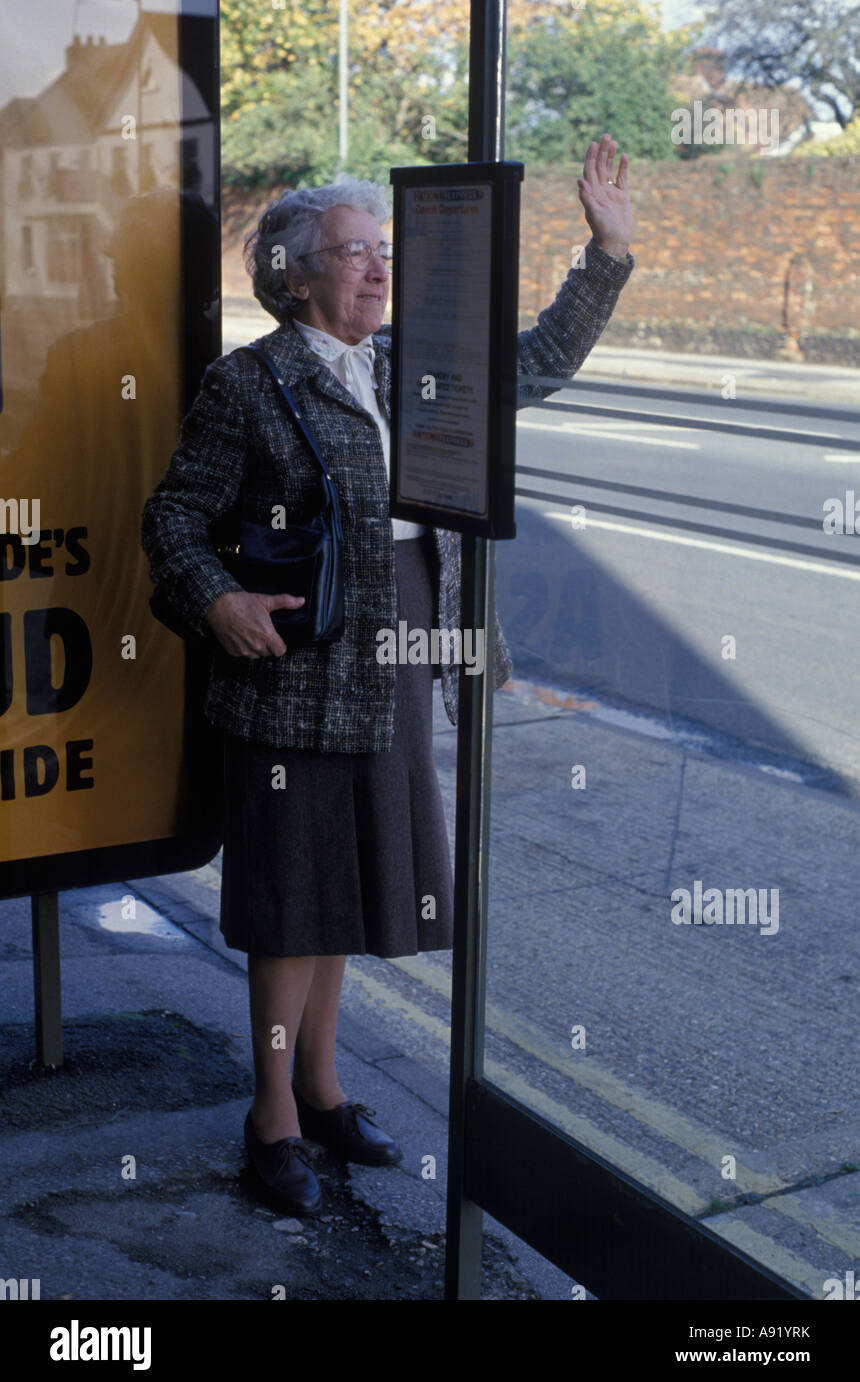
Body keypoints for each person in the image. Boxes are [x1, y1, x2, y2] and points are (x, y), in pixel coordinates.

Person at [141, 133, 635, 1216]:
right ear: (294, 274)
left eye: (383, 250)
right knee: (289, 907)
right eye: (355, 252)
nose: (379, 267)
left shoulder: (407, 358)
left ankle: (320, 1088)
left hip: (401, 654)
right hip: (295, 667)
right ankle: (269, 1114)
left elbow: (536, 365)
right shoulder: (249, 383)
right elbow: (173, 514)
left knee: (351, 887)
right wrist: (213, 599)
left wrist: (603, 254)